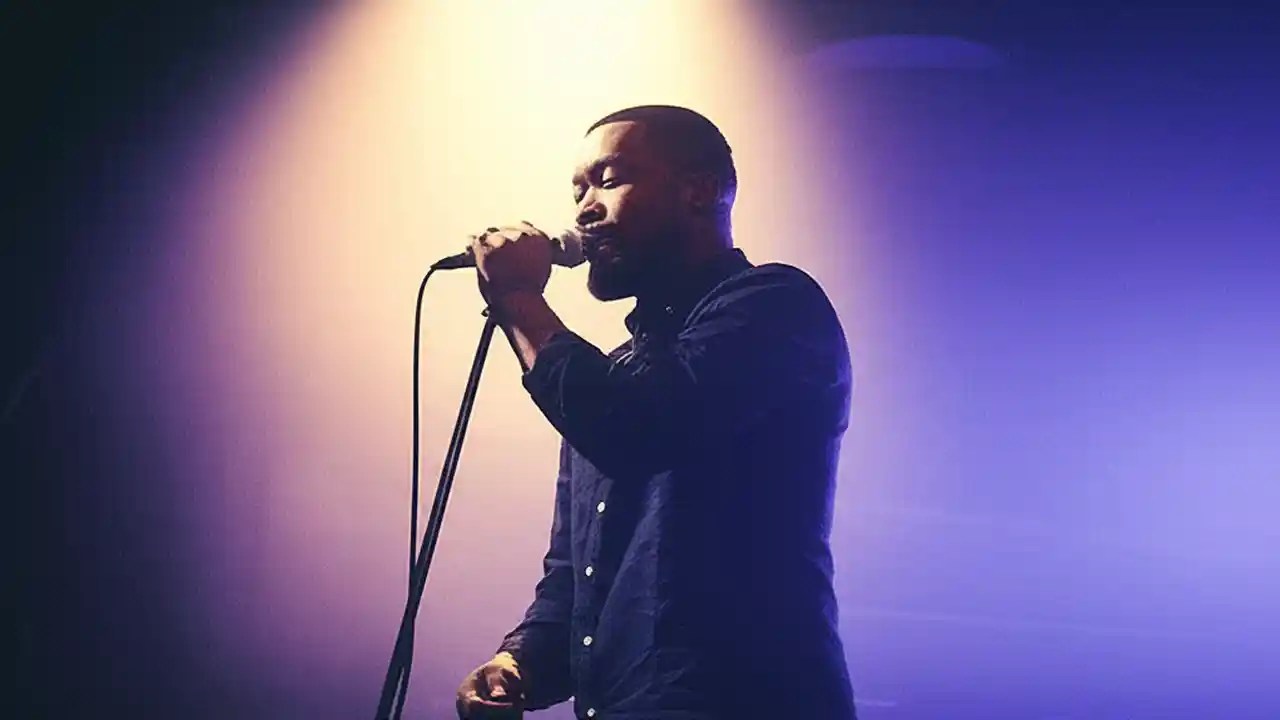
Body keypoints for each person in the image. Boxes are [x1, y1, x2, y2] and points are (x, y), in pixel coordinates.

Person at [455, 105, 857, 719]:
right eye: (578, 190)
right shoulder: (608, 379)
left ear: (699, 190)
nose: (585, 208)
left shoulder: (776, 305)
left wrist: (517, 299)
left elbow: (642, 426)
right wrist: (518, 664)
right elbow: (576, 583)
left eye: (609, 180)